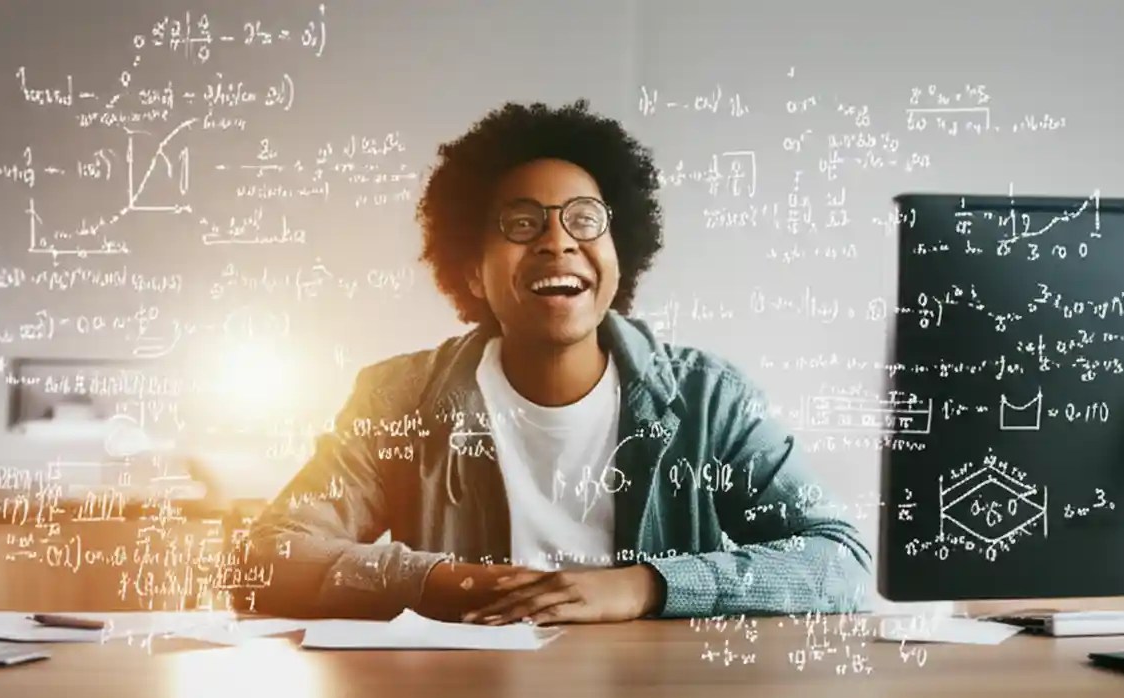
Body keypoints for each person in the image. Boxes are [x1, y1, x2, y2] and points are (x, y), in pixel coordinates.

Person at [243, 99, 871, 625]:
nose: (557, 241)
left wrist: (644, 586)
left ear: (619, 256)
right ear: (472, 271)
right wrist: (453, 582)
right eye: (521, 224)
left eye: (584, 220)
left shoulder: (709, 400)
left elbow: (841, 561)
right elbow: (266, 557)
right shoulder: (398, 399)